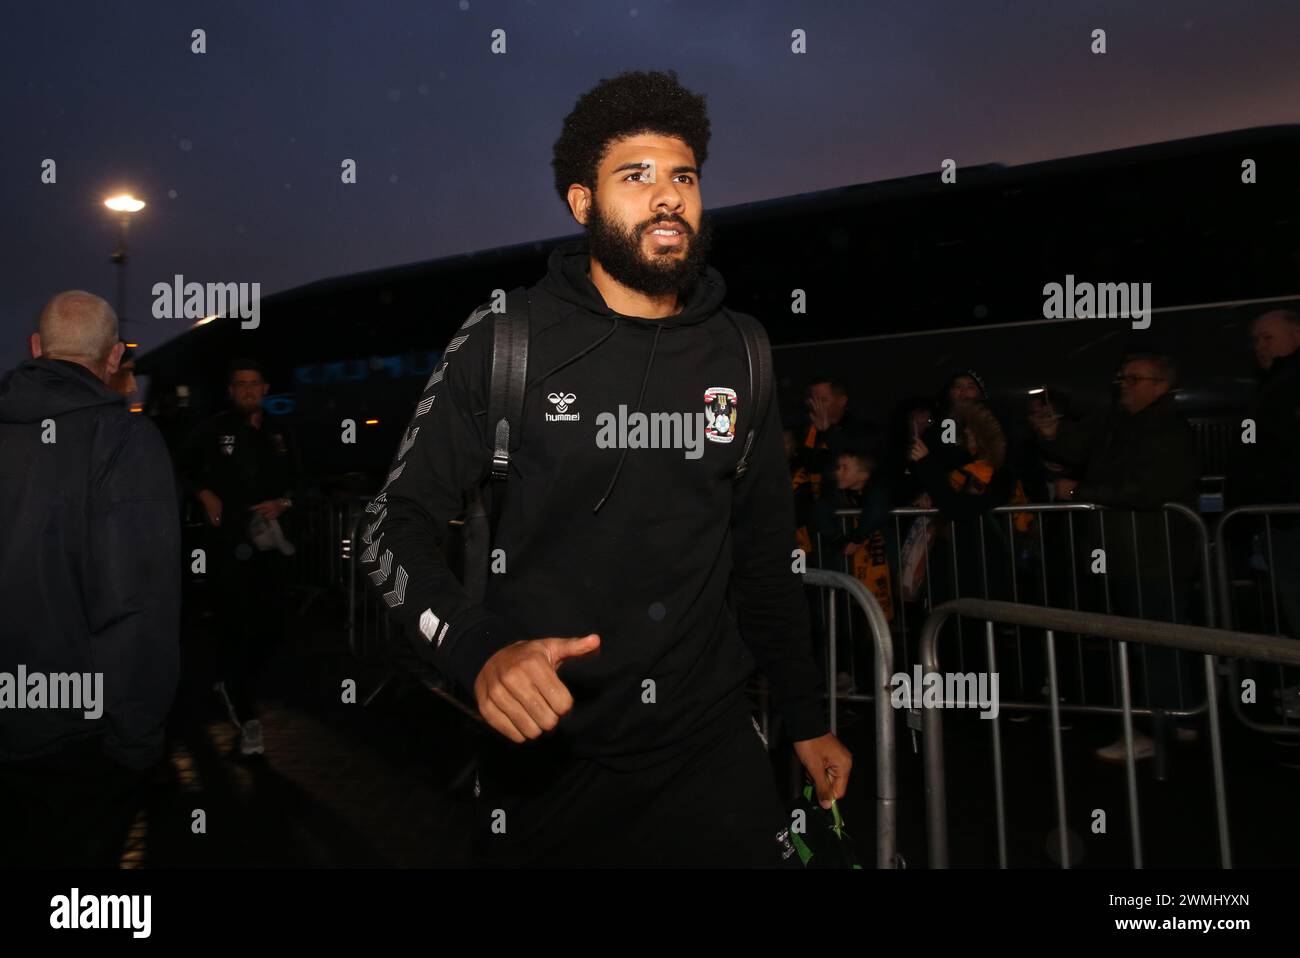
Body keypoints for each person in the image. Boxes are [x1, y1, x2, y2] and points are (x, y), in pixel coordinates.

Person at [360, 69, 850, 867]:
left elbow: (764, 557)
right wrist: (478, 650)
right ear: (583, 203)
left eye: (682, 176)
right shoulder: (507, 341)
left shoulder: (744, 351)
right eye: (636, 175)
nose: (667, 197)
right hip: (551, 757)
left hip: (710, 749)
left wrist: (804, 714)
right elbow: (390, 525)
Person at [0, 291, 180, 867]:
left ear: (35, 348)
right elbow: (139, 600)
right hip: (77, 737)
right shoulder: (125, 439)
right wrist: (137, 738)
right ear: (112, 359)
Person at [1029, 352, 1199, 762]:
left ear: (1161, 384)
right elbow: (1082, 449)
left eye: (1133, 378)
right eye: (1121, 376)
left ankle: (1159, 729)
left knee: (1156, 643)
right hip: (1132, 552)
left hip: (1153, 554)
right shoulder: (1122, 421)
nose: (1123, 383)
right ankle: (1177, 721)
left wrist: (1078, 492)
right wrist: (1051, 434)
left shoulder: (1166, 429)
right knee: (1160, 641)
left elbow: (1146, 489)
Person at [179, 359, 301, 757]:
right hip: (229, 549)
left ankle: (232, 680)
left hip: (270, 548)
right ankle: (246, 717)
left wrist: (284, 502)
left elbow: (304, 481)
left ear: (265, 389)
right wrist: (204, 492)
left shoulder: (280, 432)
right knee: (235, 627)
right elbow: (179, 470)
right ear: (230, 390)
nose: (248, 391)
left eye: (255, 384)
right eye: (240, 384)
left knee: (272, 628)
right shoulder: (212, 431)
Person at [1231, 310, 1300, 639]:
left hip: (1288, 515)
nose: (1259, 346)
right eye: (1255, 339)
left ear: (1295, 337)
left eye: (1267, 337)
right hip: (1277, 516)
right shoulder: (1272, 383)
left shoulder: (1287, 382)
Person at [800, 376, 882, 496]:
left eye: (823, 400)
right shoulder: (809, 429)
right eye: (813, 400)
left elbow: (850, 453)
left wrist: (828, 431)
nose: (817, 406)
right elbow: (810, 466)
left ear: (842, 401)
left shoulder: (863, 428)